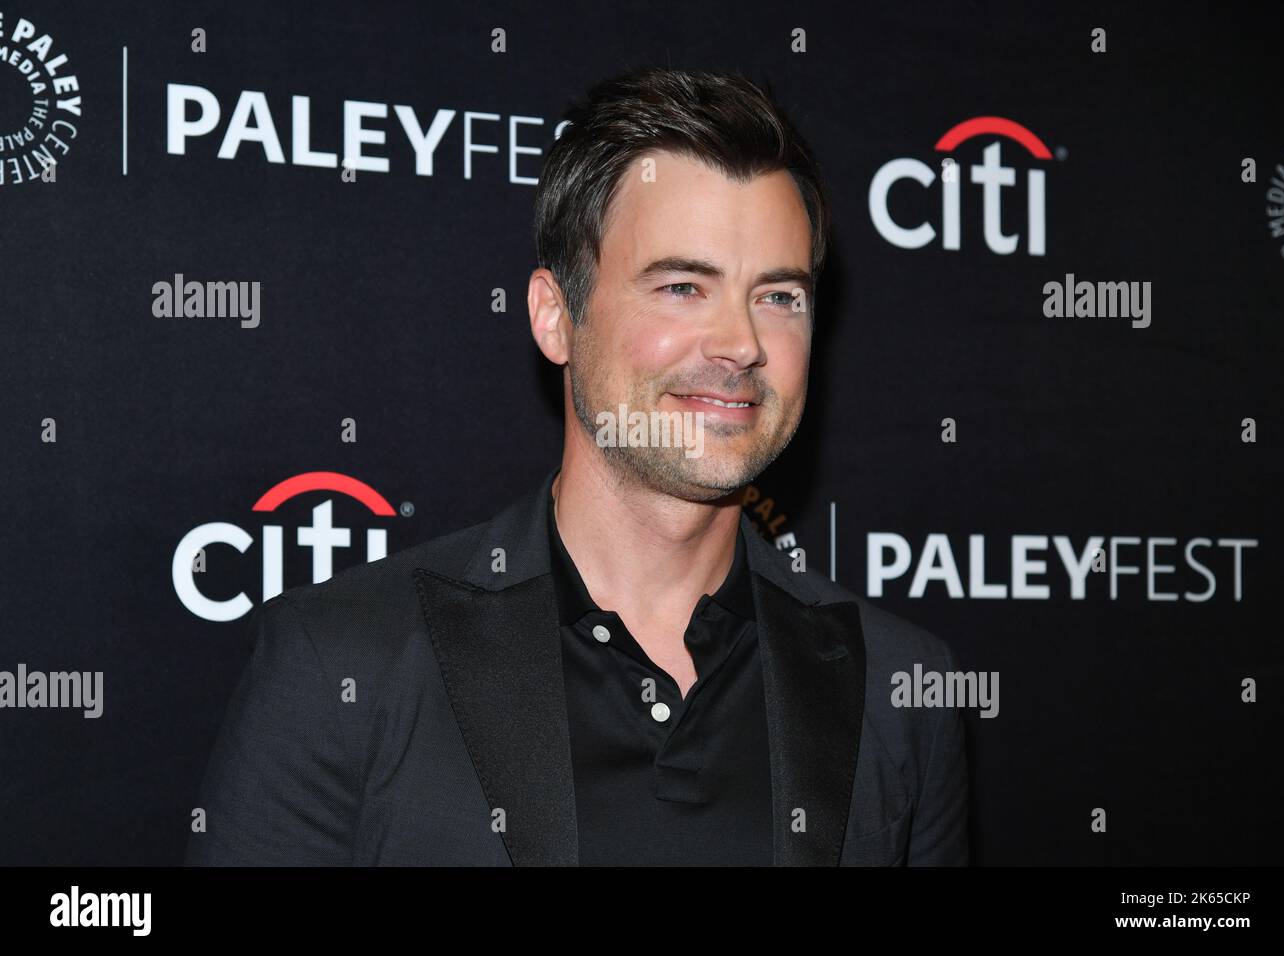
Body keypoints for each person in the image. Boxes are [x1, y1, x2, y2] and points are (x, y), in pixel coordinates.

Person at [185, 66, 968, 866]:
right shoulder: (344, 662)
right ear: (556, 318)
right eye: (681, 287)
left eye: (779, 296)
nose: (741, 343)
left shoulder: (899, 687)